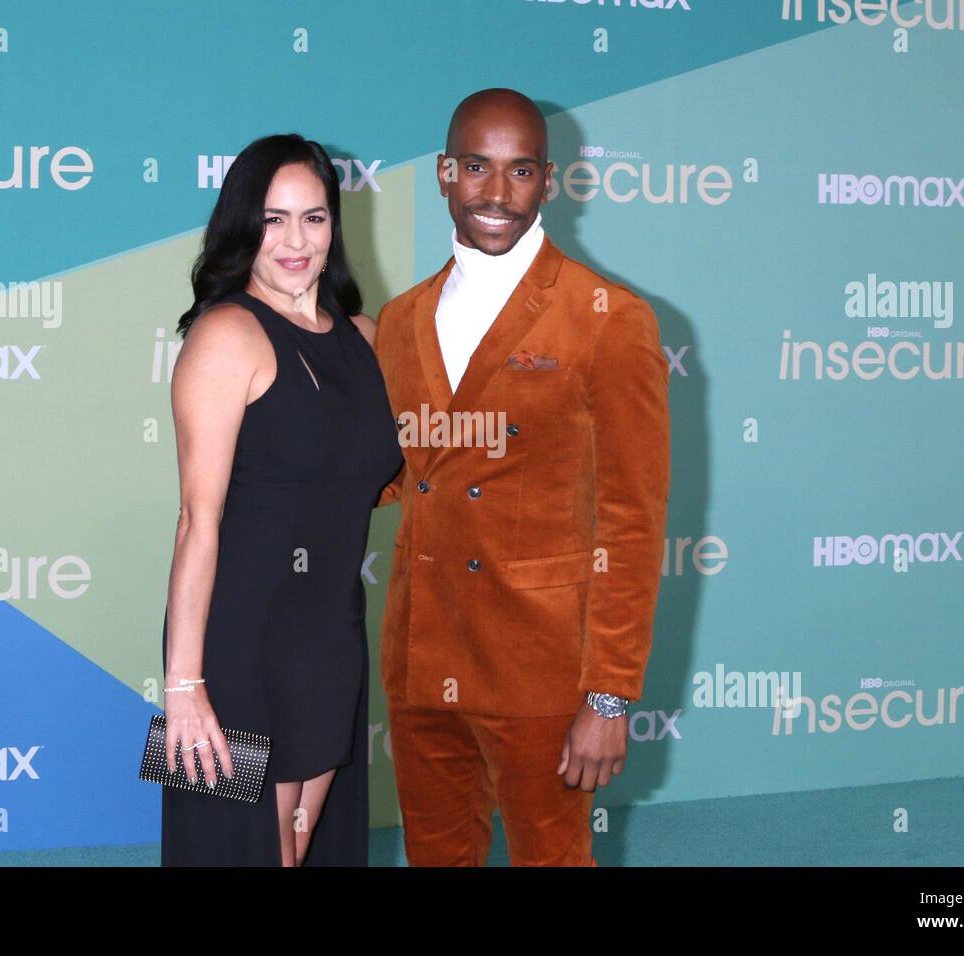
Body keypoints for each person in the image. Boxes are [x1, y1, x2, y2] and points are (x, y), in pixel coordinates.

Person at [372, 88, 671, 866]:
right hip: (423, 654)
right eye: (476, 167)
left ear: (549, 181)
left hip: (544, 670)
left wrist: (608, 696)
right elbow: (396, 476)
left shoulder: (610, 317)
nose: (496, 195)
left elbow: (632, 520)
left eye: (520, 171)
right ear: (444, 173)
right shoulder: (400, 321)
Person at [159, 133, 403, 866]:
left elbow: (376, 474)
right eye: (273, 219)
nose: (296, 240)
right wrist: (183, 683)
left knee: (301, 850)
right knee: (248, 854)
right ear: (243, 227)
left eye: (315, 217)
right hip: (238, 645)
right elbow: (197, 523)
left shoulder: (367, 336)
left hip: (330, 635)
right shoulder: (226, 333)